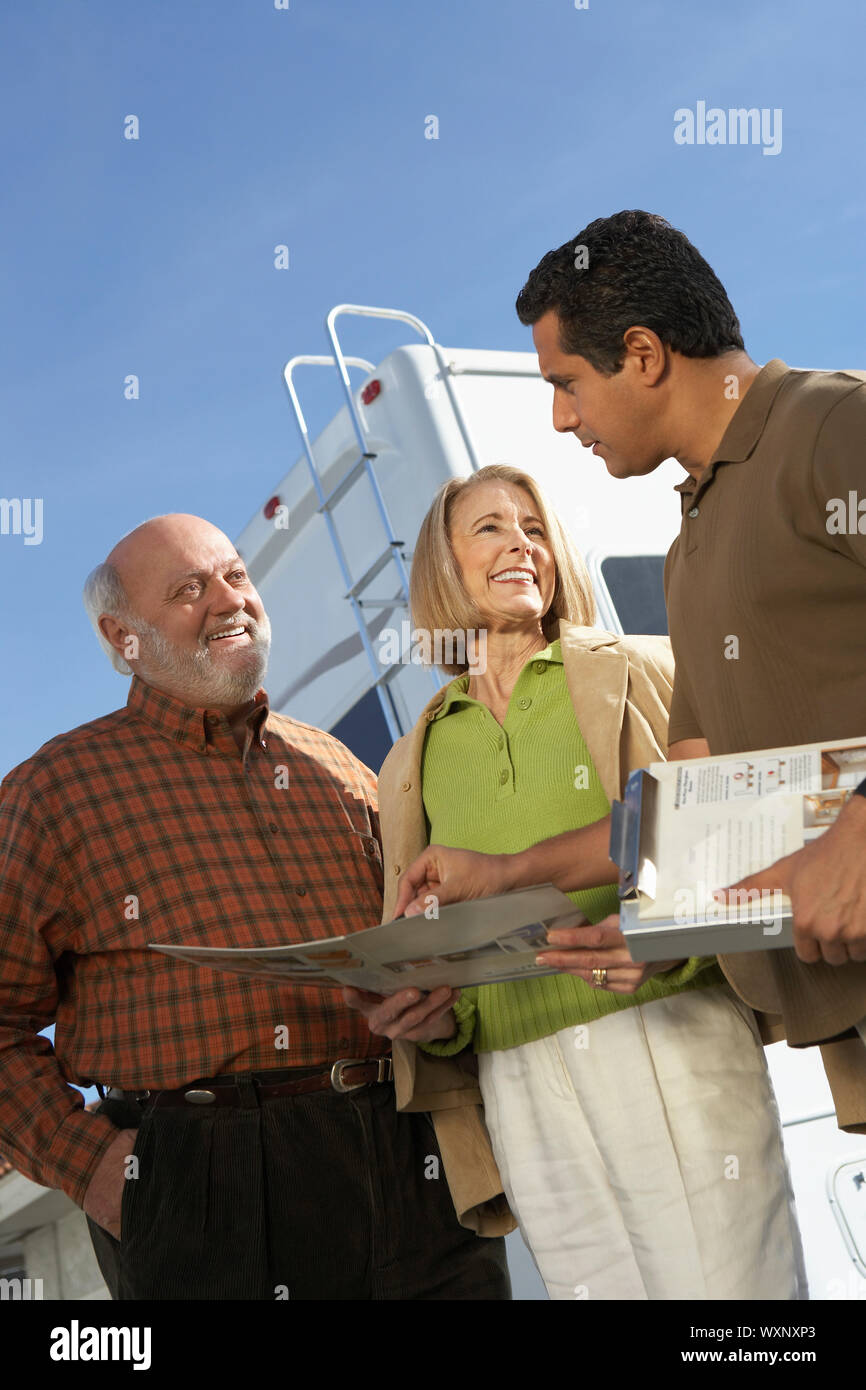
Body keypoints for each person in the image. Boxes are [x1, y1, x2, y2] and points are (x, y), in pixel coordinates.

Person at [396, 211, 866, 1140]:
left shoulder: (832, 427)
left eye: (567, 383)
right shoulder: (689, 548)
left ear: (643, 354)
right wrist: (614, 910)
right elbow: (691, 797)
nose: (560, 419)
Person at [0, 513, 510, 1301]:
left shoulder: (340, 767)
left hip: (407, 1150)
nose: (227, 600)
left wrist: (430, 998)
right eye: (188, 589)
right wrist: (95, 1167)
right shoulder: (53, 791)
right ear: (122, 634)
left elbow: (418, 952)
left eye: (236, 576)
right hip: (204, 1180)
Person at [345, 464, 806, 1300]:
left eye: (532, 527)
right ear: (440, 566)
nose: (522, 544)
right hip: (519, 1084)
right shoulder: (412, 760)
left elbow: (746, 830)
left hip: (669, 1030)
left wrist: (679, 949)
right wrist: (431, 1013)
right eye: (490, 527)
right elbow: (442, 943)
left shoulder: (640, 668)